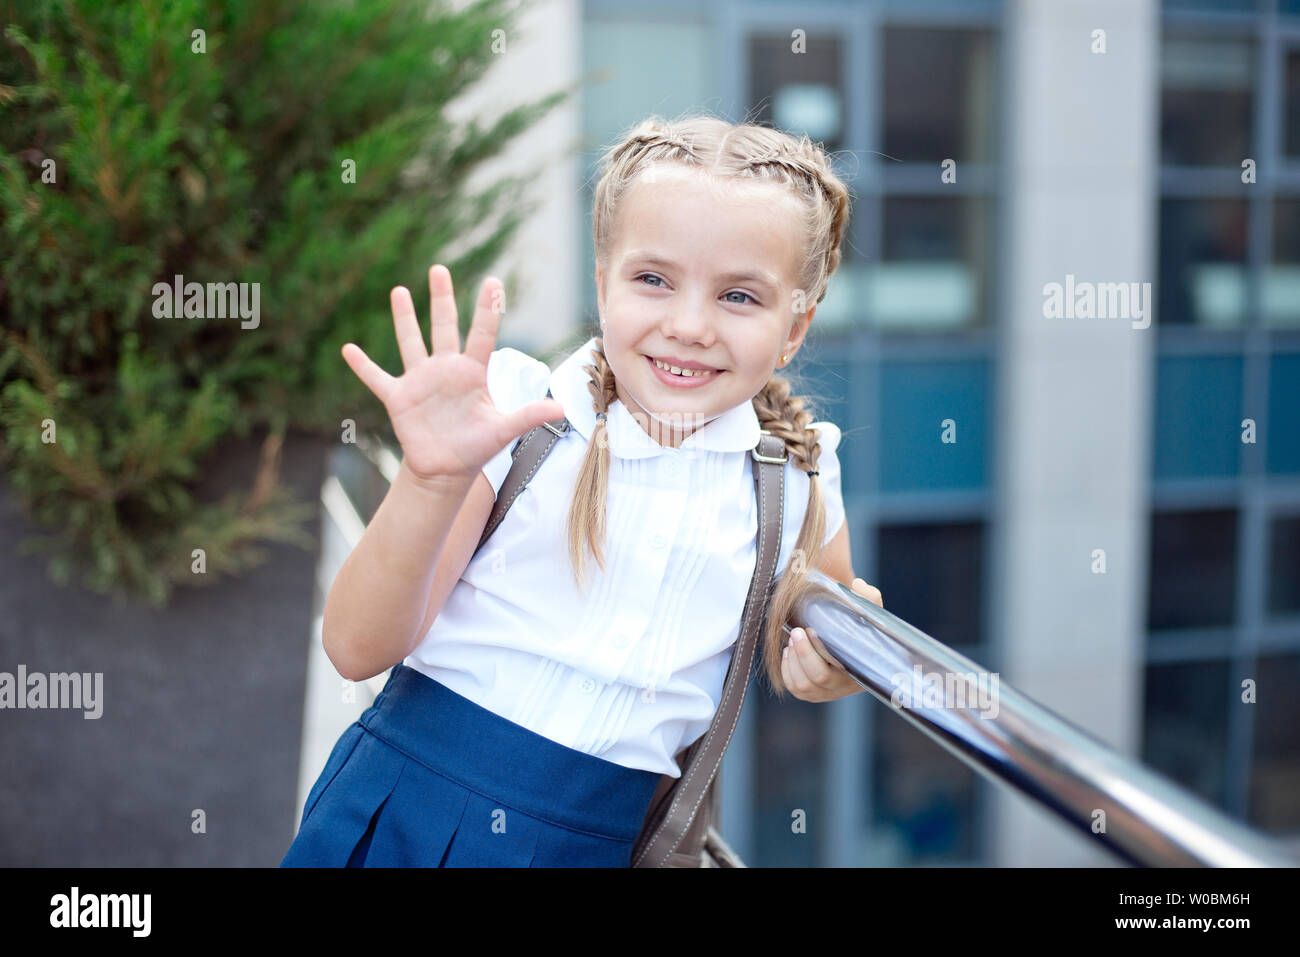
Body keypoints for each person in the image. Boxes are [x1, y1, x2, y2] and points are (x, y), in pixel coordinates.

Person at [280, 113, 885, 868]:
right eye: (653, 279)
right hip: (409, 806)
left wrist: (835, 671)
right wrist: (431, 478)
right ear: (603, 286)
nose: (690, 325)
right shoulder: (514, 412)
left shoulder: (799, 480)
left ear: (795, 327)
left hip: (600, 844)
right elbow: (354, 645)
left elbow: (826, 644)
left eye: (739, 297)